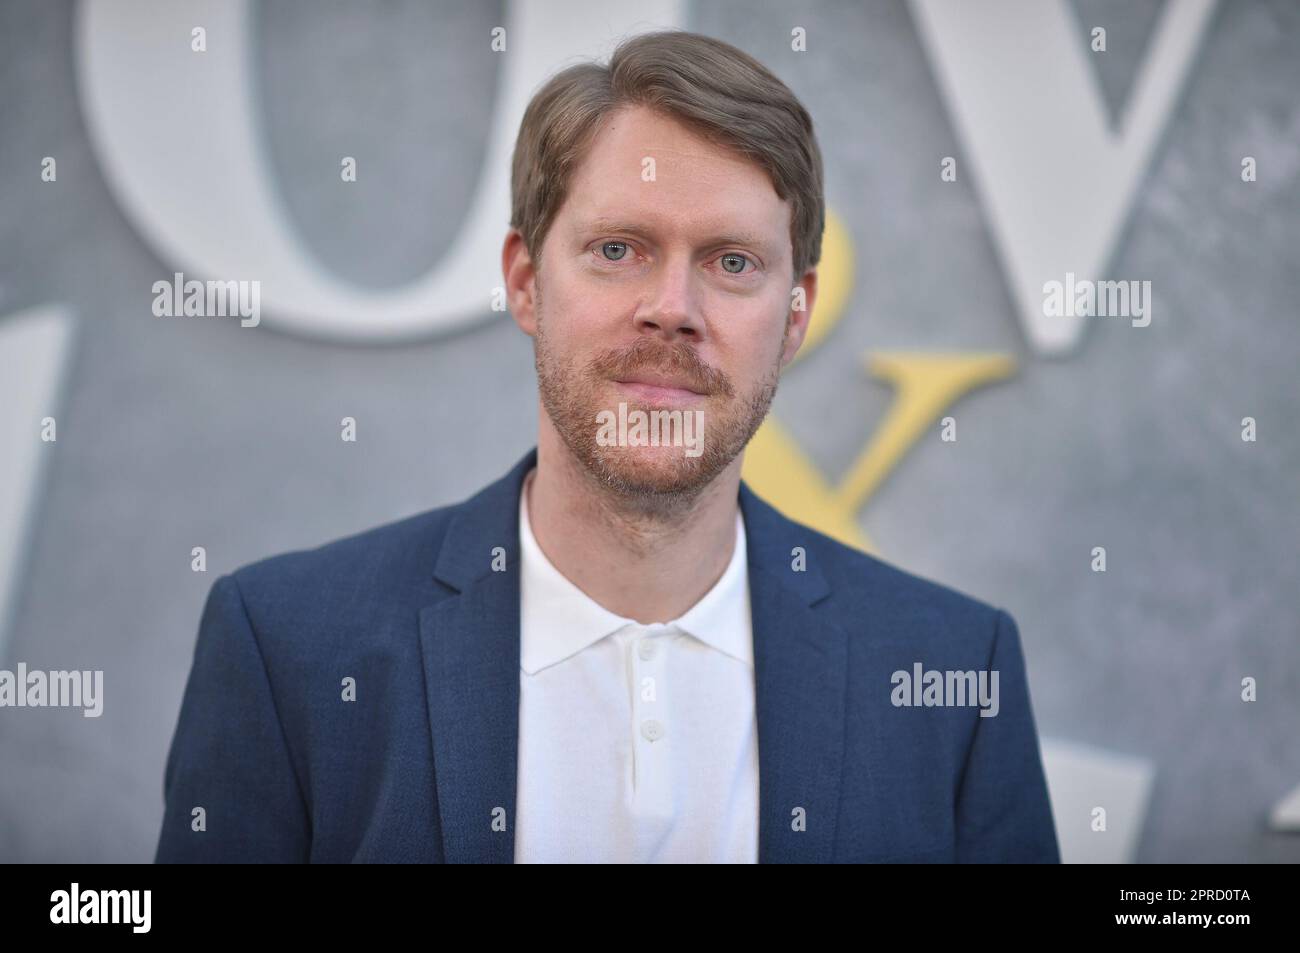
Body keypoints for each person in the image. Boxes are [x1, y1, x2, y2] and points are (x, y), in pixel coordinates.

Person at [155, 29, 1059, 863]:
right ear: (524, 282)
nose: (674, 306)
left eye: (733, 262)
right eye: (620, 249)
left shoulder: (952, 672)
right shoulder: (289, 648)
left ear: (796, 317)